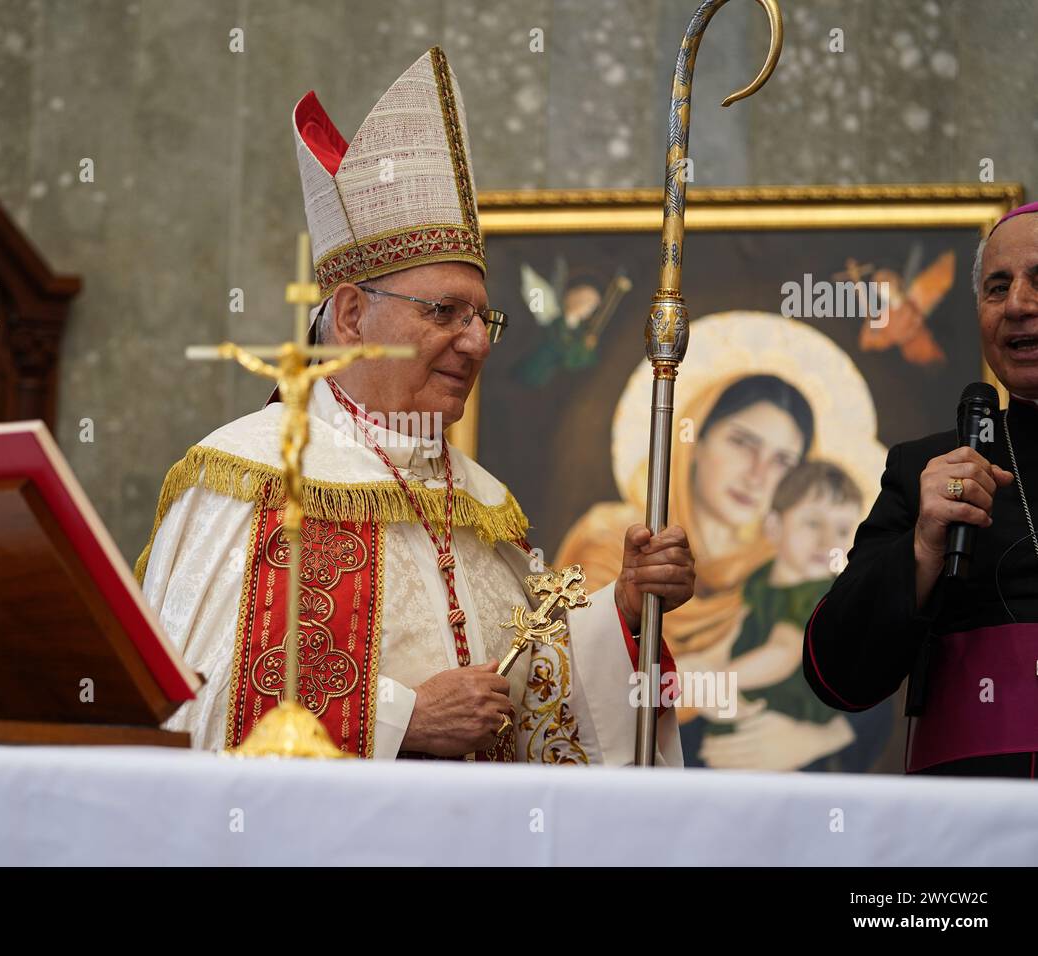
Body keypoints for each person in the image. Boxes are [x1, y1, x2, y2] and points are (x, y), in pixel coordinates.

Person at [137, 47, 694, 762]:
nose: (476, 343)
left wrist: (625, 610)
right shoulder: (247, 479)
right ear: (349, 316)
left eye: (483, 319)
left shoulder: (480, 505)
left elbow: (536, 702)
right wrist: (397, 720)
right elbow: (186, 715)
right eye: (444, 312)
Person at [804, 201, 1038, 777]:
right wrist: (924, 548)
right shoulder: (927, 469)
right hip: (970, 816)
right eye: (996, 287)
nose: (1017, 306)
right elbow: (837, 675)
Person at [701, 460, 863, 770]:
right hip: (745, 732)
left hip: (789, 738)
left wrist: (719, 680)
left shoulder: (817, 594)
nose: (828, 541)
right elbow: (730, 634)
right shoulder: (758, 585)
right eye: (813, 523)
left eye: (843, 530)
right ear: (774, 527)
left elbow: (784, 651)